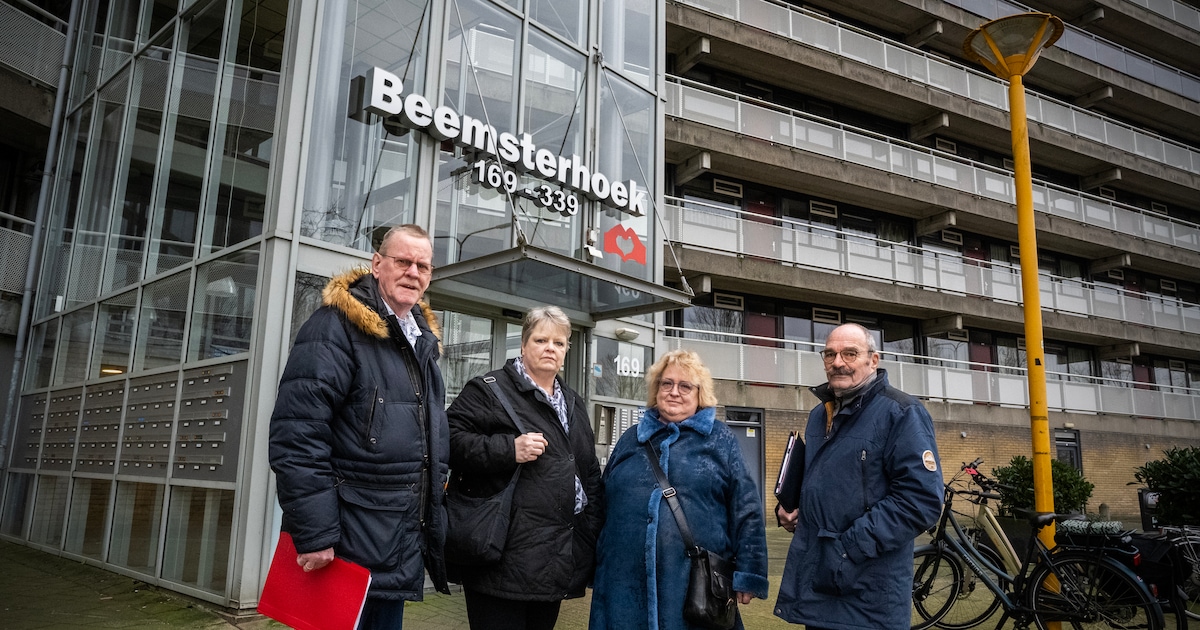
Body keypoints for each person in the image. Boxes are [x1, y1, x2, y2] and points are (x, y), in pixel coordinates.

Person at [268, 224, 448, 629]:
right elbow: (297, 436)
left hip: (394, 542)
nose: (412, 272)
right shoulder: (333, 328)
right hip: (345, 544)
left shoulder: (421, 343)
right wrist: (315, 534)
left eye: (422, 265)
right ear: (377, 264)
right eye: (402, 261)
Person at [774, 323, 943, 629]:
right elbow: (824, 486)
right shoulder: (820, 414)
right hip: (819, 586)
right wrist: (790, 509)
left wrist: (846, 549)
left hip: (868, 595)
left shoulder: (902, 413)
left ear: (873, 360)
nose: (838, 362)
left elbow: (920, 501)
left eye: (850, 353)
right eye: (830, 354)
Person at [446, 305, 604, 630]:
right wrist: (508, 449)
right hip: (502, 556)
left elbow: (588, 474)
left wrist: (588, 533)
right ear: (523, 344)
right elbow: (448, 440)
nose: (550, 348)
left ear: (566, 351)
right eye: (541, 340)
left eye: (558, 343)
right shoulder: (489, 389)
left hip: (556, 558)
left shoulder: (573, 403)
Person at [589, 349, 769, 630]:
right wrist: (591, 564)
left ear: (700, 394)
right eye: (666, 383)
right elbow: (601, 505)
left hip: (692, 586)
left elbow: (746, 508)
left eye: (685, 385)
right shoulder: (630, 439)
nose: (674, 391)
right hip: (622, 584)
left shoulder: (720, 440)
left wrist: (749, 571)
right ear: (656, 389)